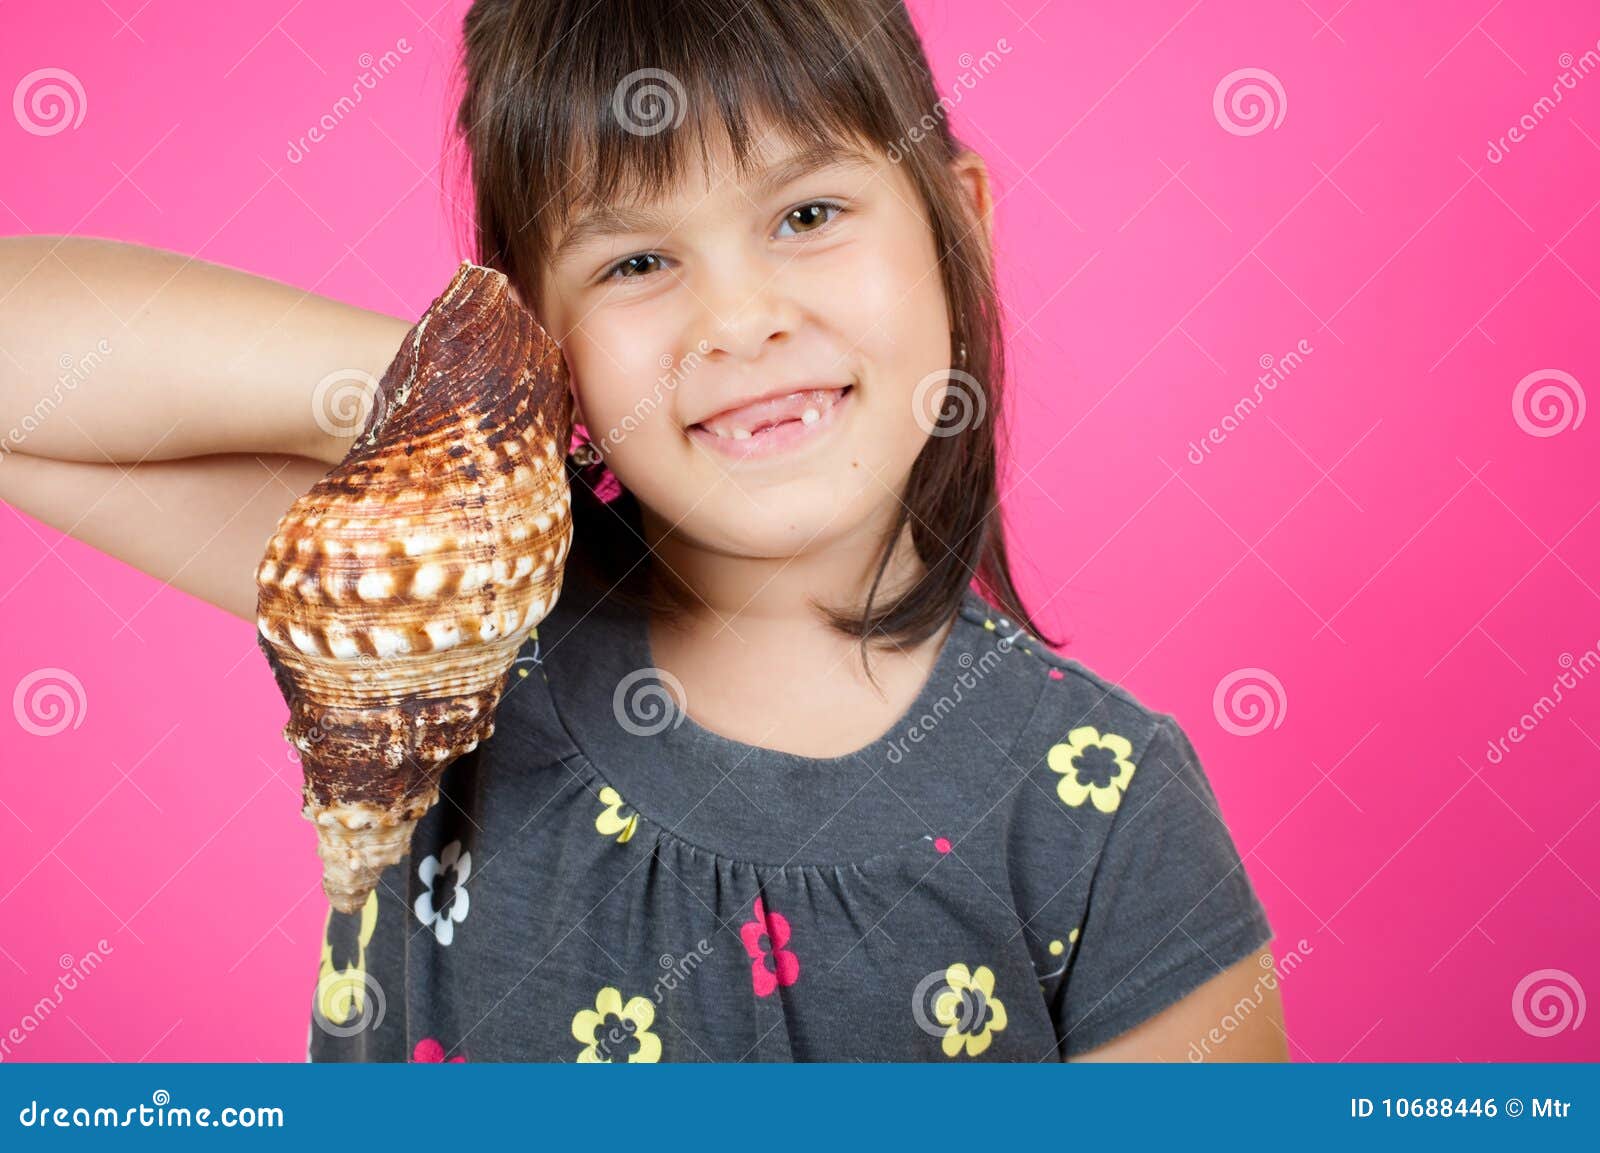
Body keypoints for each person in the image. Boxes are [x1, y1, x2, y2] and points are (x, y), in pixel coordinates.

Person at [0, 0, 1285, 1062]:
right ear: (543, 327)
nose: (737, 321)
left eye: (806, 215)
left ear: (961, 226)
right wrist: (465, 385)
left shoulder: (1102, 808)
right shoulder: (460, 609)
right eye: (633, 264)